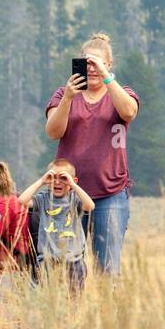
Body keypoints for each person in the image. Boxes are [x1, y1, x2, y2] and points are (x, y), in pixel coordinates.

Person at [44, 32, 139, 276]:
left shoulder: (122, 92)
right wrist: (67, 98)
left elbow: (128, 112)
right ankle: (71, 312)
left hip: (110, 192)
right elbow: (53, 132)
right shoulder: (64, 94)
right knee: (65, 266)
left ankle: (105, 313)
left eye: (97, 64)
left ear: (109, 65)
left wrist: (107, 80)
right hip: (68, 193)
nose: (92, 69)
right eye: (86, 63)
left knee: (107, 269)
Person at [19, 158, 96, 289]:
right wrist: (41, 181)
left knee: (73, 302)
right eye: (53, 177)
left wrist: (72, 185)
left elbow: (90, 206)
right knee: (45, 300)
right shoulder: (43, 199)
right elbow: (22, 201)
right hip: (47, 261)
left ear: (72, 180)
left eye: (63, 178)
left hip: (73, 262)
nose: (57, 182)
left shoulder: (75, 199)